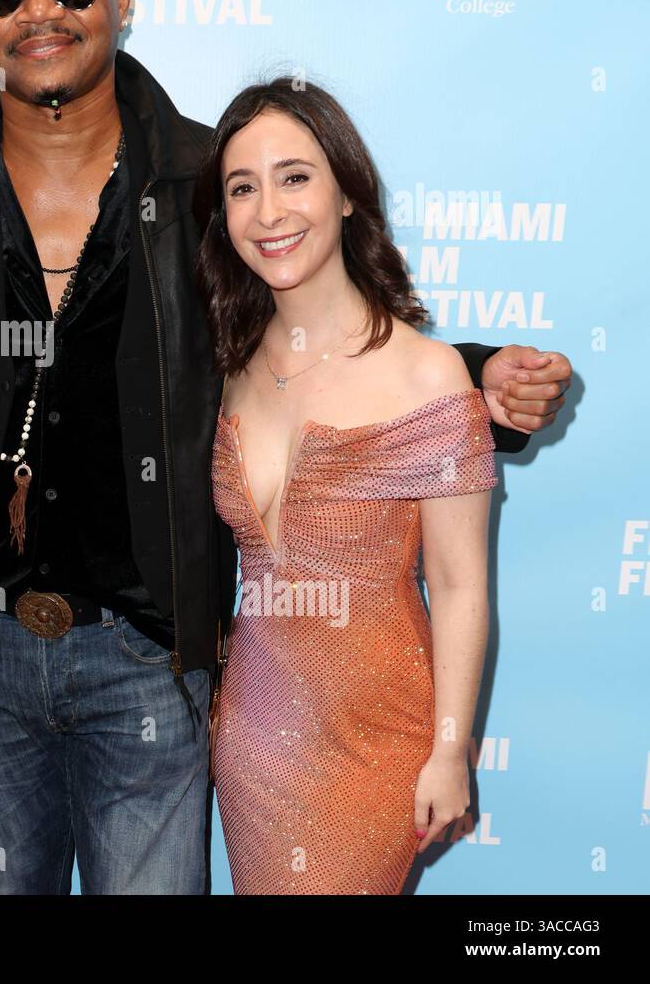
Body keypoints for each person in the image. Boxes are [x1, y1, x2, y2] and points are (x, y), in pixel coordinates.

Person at [0, 0, 572, 895]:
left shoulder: (207, 184)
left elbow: (309, 316)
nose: (40, 6)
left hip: (149, 655)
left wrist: (475, 377)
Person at [198, 78, 545, 894]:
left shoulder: (427, 376)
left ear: (348, 193)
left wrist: (451, 749)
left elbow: (460, 586)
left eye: (295, 176)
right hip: (251, 738)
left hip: (374, 744)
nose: (269, 210)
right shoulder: (229, 367)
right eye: (242, 187)